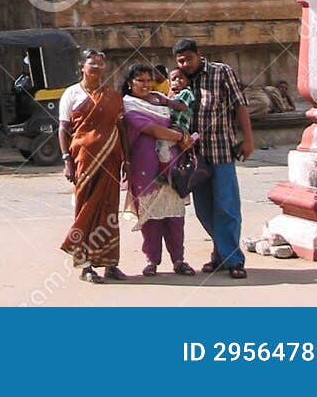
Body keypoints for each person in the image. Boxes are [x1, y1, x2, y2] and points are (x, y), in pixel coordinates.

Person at [172, 37, 253, 279]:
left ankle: (234, 259)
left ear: (199, 55)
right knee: (204, 209)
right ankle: (222, 253)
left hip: (221, 150)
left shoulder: (221, 72)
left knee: (227, 207)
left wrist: (248, 139)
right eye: (180, 61)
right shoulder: (180, 81)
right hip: (195, 158)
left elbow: (240, 105)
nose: (185, 64)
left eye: (188, 59)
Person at [120, 64, 197, 276]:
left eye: (148, 80)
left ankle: (179, 260)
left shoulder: (159, 100)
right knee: (150, 216)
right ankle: (152, 260)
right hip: (144, 167)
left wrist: (182, 136)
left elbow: (177, 118)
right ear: (130, 84)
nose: (146, 84)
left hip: (170, 164)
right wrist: (181, 137)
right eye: (140, 80)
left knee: (175, 216)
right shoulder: (128, 105)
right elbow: (150, 128)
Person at [58, 47, 126, 283]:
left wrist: (125, 159)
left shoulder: (113, 96)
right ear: (82, 67)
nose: (96, 67)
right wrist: (66, 160)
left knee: (109, 212)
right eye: (92, 63)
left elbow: (121, 128)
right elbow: (63, 128)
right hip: (83, 161)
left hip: (111, 159)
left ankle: (110, 264)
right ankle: (85, 265)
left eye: (100, 63)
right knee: (85, 210)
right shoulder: (71, 94)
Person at [166, 65, 196, 135]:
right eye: (173, 79)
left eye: (181, 78)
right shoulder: (172, 94)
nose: (177, 80)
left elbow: (182, 106)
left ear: (188, 81)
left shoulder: (186, 92)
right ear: (170, 83)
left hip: (180, 127)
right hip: (171, 124)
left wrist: (166, 101)